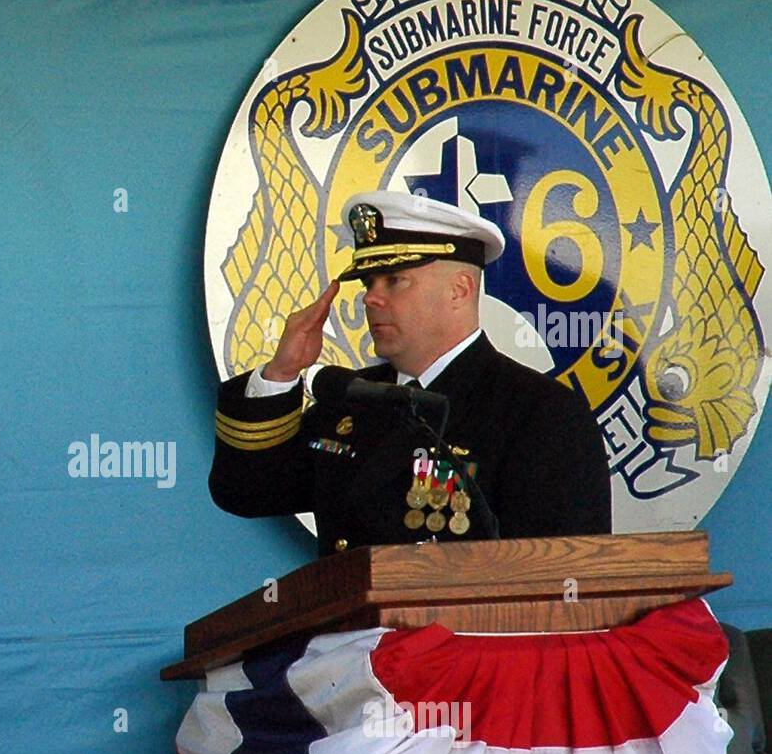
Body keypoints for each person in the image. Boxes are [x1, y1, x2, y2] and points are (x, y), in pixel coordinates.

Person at [209, 190, 611, 555]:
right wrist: (281, 372)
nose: (371, 297)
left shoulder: (540, 412)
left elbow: (562, 572)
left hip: (469, 635)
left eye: (394, 280)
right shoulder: (351, 402)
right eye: (368, 282)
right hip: (351, 632)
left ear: (460, 289)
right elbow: (247, 492)